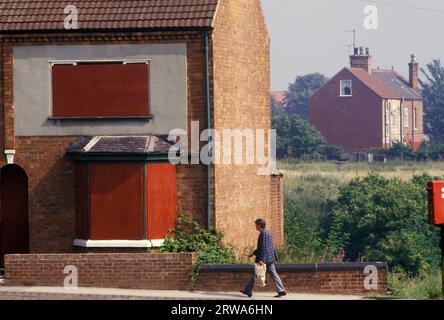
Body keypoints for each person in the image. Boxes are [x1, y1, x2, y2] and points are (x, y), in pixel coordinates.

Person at [240, 218, 287, 298]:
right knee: (273, 274)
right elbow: (264, 247)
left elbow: (264, 247)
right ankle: (281, 290)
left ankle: (248, 290)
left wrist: (262, 260)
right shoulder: (267, 232)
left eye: (256, 225)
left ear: (259, 225)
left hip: (265, 259)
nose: (255, 226)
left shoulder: (263, 234)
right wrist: (253, 253)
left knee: (255, 273)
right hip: (270, 258)